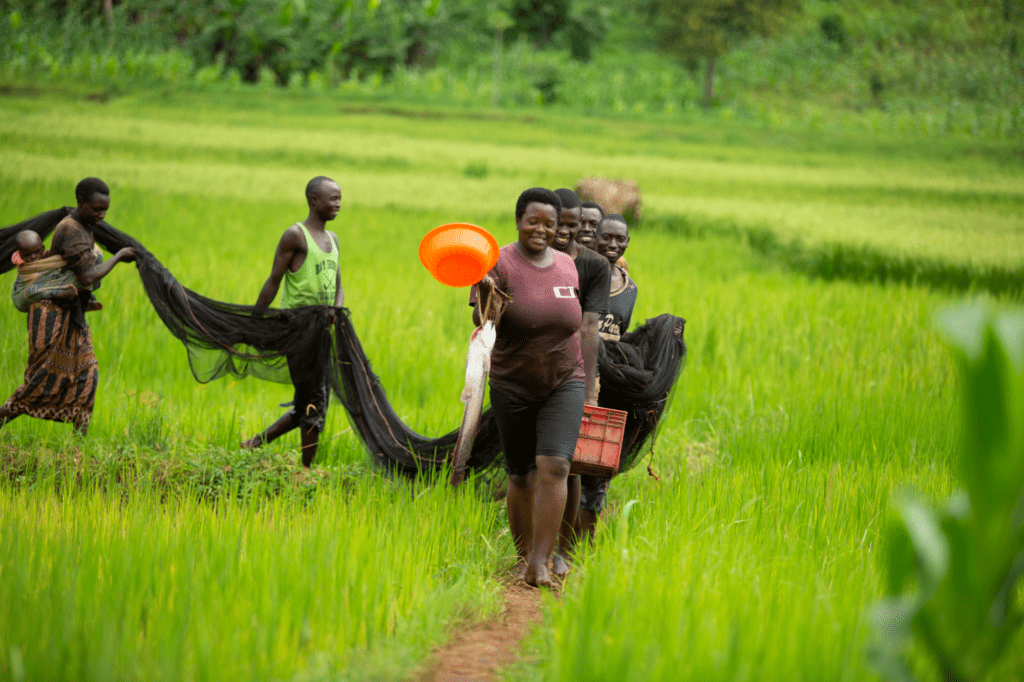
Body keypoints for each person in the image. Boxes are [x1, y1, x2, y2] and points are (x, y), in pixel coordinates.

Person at [472, 187, 585, 588]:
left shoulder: (569, 266)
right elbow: (482, 325)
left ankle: (541, 561)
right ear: (518, 220)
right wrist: (485, 293)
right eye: (533, 221)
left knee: (556, 466)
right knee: (520, 474)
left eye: (550, 224)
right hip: (513, 383)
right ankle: (523, 557)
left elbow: (577, 322)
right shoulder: (498, 263)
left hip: (565, 380)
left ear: (559, 228)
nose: (541, 229)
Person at [0, 178, 135, 435]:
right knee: (41, 382)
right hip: (50, 318)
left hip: (69, 314)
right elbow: (85, 277)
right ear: (80, 203)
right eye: (96, 209)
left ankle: (78, 452)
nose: (102, 214)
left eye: (105, 209)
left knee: (88, 376)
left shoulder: (82, 225)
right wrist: (118, 256)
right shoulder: (72, 230)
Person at [241, 176, 343, 467]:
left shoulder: (333, 240)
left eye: (339, 198)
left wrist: (337, 310)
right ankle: (306, 471)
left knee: (306, 402)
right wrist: (253, 323)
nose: (338, 204)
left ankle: (254, 443)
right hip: (298, 330)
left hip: (323, 329)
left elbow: (338, 286)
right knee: (314, 400)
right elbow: (273, 281)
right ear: (314, 200)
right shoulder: (295, 236)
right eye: (333, 198)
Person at [551, 188, 609, 578]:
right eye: (563, 224)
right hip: (527, 370)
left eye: (575, 225)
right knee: (527, 468)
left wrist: (588, 388)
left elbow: (590, 327)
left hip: (571, 374)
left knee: (568, 467)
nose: (569, 232)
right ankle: (532, 547)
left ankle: (562, 549)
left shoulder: (593, 266)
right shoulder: (524, 258)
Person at [577, 213, 639, 543]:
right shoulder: (580, 273)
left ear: (628, 241)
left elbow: (622, 334)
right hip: (577, 375)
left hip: (609, 384)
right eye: (607, 238)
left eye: (620, 239)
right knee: (567, 459)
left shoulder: (630, 288)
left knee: (598, 463)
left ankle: (584, 543)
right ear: (595, 238)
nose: (613, 244)